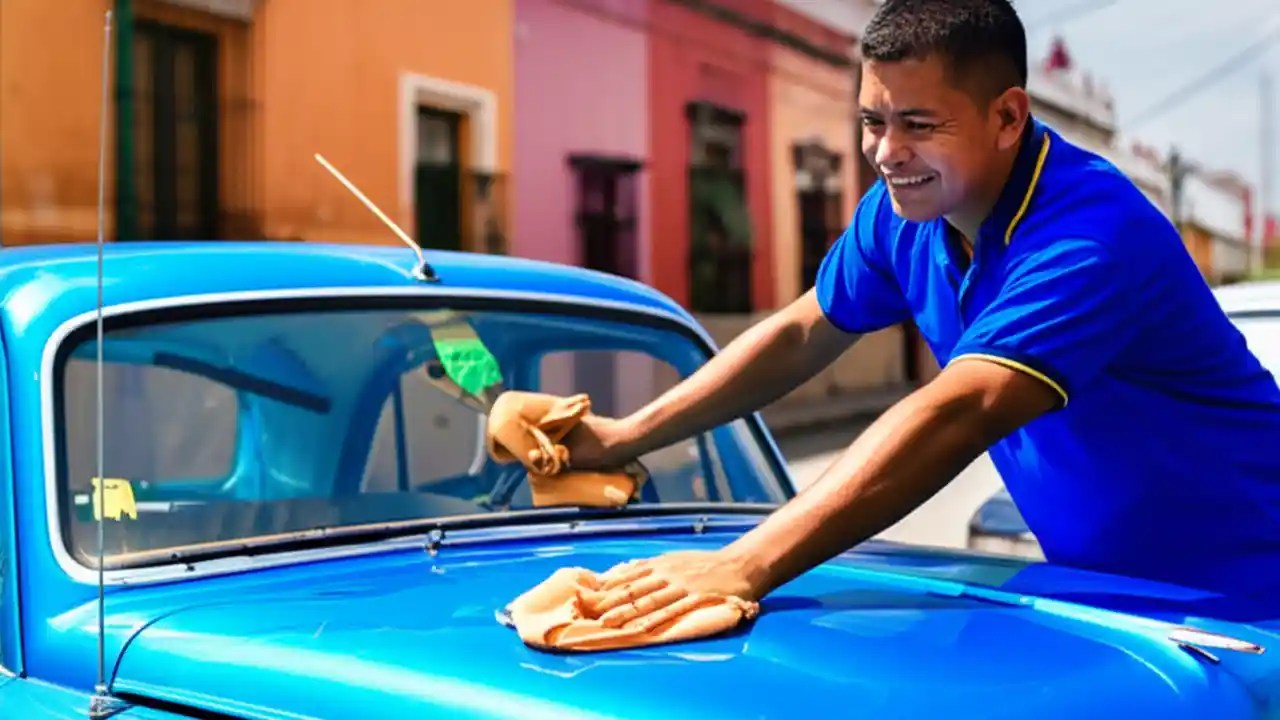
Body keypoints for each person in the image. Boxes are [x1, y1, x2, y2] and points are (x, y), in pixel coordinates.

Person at [565, 0, 1280, 609]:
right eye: (872, 121)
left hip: (1250, 604)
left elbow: (961, 410)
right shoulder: (903, 213)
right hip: (1107, 599)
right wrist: (624, 436)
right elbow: (803, 332)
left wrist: (742, 565)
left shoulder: (1090, 236)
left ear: (1007, 116)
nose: (885, 151)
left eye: (918, 123)